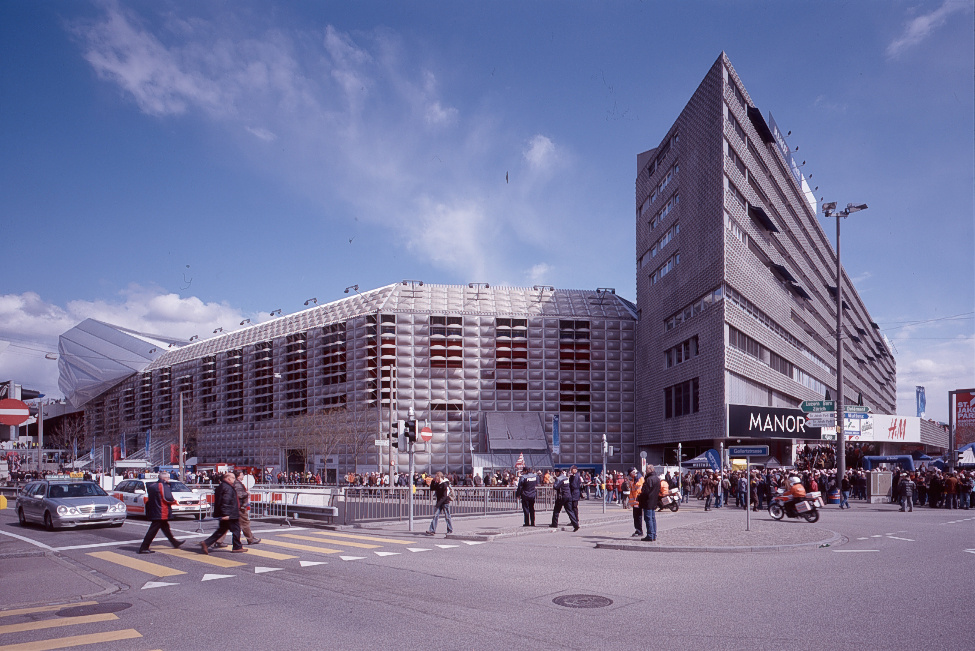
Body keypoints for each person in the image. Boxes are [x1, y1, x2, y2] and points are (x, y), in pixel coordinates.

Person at [200, 472, 246, 554]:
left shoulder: (222, 486)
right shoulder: (227, 487)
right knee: (236, 529)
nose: (234, 480)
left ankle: (206, 543)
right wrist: (226, 514)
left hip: (226, 512)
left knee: (221, 530)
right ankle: (237, 547)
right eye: (233, 478)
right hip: (230, 513)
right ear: (228, 478)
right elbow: (226, 502)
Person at [137, 472, 184, 554]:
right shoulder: (163, 485)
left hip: (155, 510)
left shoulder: (152, 486)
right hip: (162, 511)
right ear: (165, 478)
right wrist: (174, 502)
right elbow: (167, 498)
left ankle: (174, 542)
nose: (168, 479)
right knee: (153, 530)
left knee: (165, 528)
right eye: (168, 478)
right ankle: (144, 547)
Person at [214, 470, 261, 547]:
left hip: (236, 507)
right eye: (242, 474)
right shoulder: (237, 484)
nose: (243, 476)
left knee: (227, 525)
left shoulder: (235, 483)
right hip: (240, 507)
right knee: (245, 523)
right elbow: (238, 495)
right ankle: (250, 539)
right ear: (238, 475)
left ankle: (218, 541)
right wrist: (246, 493)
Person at [425, 472, 453, 536]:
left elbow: (444, 496)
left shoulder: (444, 484)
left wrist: (438, 504)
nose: (435, 478)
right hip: (440, 502)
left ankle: (450, 529)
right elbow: (432, 488)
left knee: (447, 516)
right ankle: (432, 530)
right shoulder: (438, 484)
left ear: (439, 477)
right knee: (435, 516)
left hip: (445, 502)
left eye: (436, 477)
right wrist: (432, 481)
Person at [638, 465, 662, 541]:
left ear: (649, 470)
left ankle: (650, 535)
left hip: (648, 501)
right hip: (654, 501)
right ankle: (653, 534)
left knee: (648, 518)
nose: (645, 471)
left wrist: (640, 496)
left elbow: (645, 492)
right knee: (652, 519)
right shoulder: (657, 479)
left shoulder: (649, 479)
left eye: (646, 469)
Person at [627, 469, 644, 537]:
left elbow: (638, 487)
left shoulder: (639, 478)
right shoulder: (635, 478)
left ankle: (639, 531)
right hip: (635, 501)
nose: (630, 476)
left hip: (637, 501)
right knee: (636, 517)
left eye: (630, 474)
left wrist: (632, 483)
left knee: (638, 516)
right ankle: (638, 530)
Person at [566, 465, 582, 531]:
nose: (570, 470)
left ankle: (575, 520)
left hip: (574, 493)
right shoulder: (574, 476)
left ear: (575, 470)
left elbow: (574, 485)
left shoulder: (575, 476)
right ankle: (574, 520)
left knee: (574, 507)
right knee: (573, 507)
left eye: (571, 469)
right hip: (574, 493)